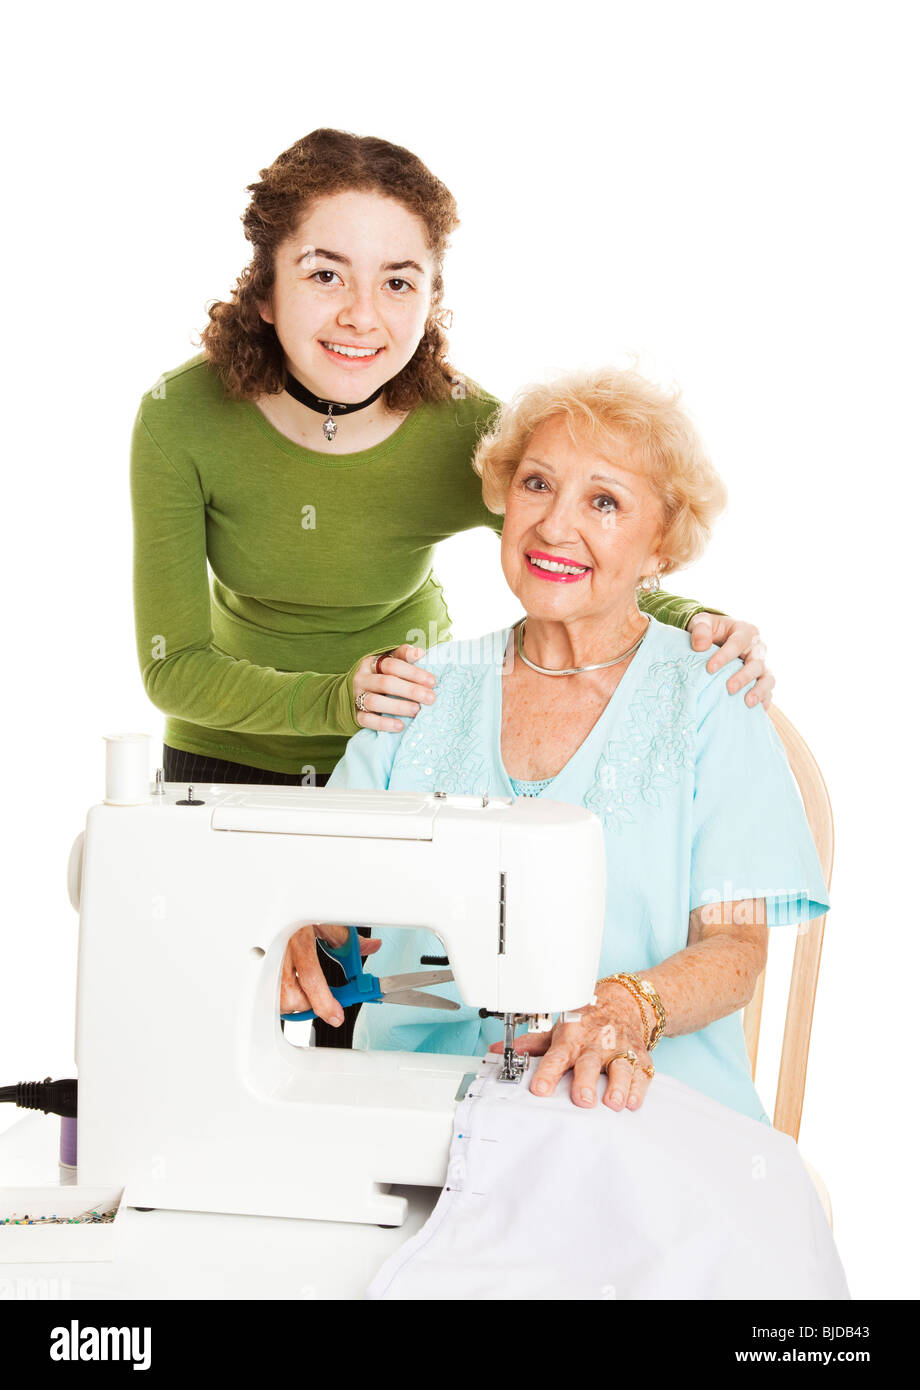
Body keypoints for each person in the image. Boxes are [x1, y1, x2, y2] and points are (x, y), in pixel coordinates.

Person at [131, 128, 772, 1046]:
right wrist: (338, 695)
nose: (362, 314)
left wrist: (697, 617)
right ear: (264, 288)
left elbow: (573, 545)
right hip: (226, 765)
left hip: (395, 767)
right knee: (198, 1049)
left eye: (398, 280)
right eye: (324, 273)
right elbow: (173, 667)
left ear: (432, 299)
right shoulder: (178, 416)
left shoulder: (464, 424)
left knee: (368, 1063)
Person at [292, 365, 830, 1135]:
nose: (553, 527)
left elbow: (737, 947)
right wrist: (305, 935)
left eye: (604, 502)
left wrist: (628, 1006)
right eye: (537, 485)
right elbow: (321, 891)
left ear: (661, 547)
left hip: (638, 1112)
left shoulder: (712, 696)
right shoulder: (420, 689)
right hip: (423, 1117)